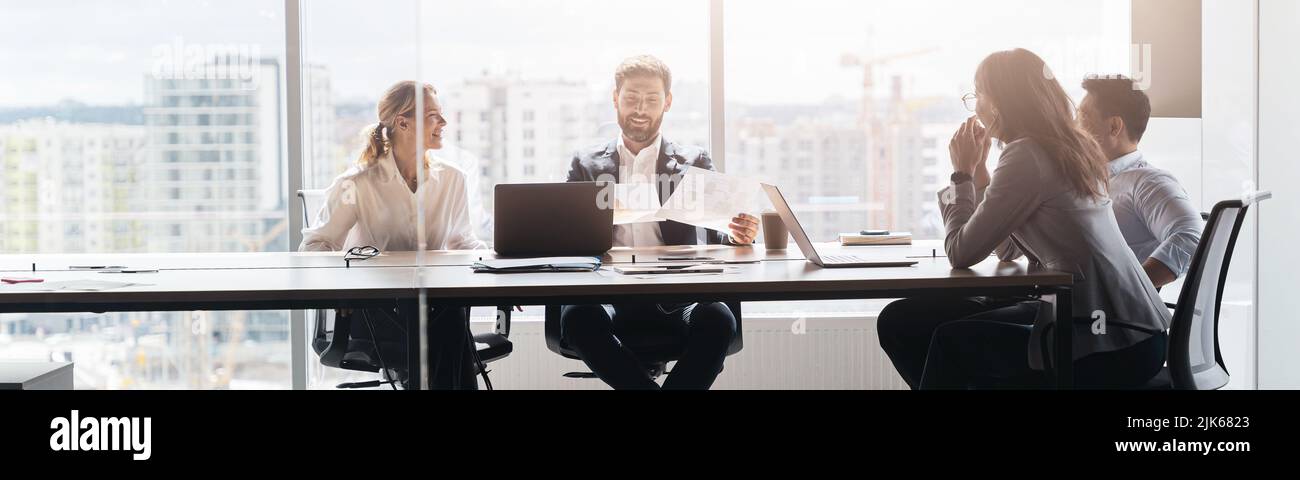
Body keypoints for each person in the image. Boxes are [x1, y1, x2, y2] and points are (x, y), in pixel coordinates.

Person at [876, 49, 1171, 389]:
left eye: (978, 94)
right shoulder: (1063, 146)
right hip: (1135, 332)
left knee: (950, 342)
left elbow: (960, 253)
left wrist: (961, 176)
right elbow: (1005, 250)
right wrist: (983, 178)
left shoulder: (1027, 154)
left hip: (1108, 340)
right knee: (903, 319)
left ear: (1000, 102)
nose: (975, 106)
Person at [561, 55, 759, 390]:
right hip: (607, 292)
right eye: (631, 98)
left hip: (677, 294)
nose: (640, 109)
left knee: (718, 318)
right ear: (615, 99)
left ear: (667, 102)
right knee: (579, 318)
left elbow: (717, 233)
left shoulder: (693, 161)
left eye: (652, 99)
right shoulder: (586, 164)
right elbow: (563, 235)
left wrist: (738, 236)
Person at [300, 81, 485, 389]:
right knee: (450, 330)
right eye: (433, 115)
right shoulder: (357, 184)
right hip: (374, 314)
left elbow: (463, 242)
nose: (444, 123)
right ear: (402, 122)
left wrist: (500, 272)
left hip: (433, 309)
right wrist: (339, 287)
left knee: (447, 320)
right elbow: (315, 245)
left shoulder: (453, 180)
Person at [1078, 75, 1203, 288]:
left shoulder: (1148, 182)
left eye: (1083, 117)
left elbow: (1190, 238)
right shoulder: (1090, 179)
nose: (1075, 127)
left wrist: (1130, 291)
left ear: (1114, 127)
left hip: (1100, 315)